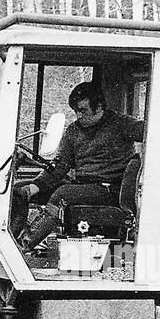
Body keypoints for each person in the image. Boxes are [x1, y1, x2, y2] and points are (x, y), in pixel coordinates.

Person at [13, 81, 144, 251]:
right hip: (81, 187)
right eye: (76, 111)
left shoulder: (120, 123)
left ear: (99, 107)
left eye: (83, 110)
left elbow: (150, 131)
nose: (78, 116)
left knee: (62, 194)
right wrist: (34, 187)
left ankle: (25, 244)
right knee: (18, 191)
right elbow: (59, 165)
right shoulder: (73, 131)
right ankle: (11, 237)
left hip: (108, 190)